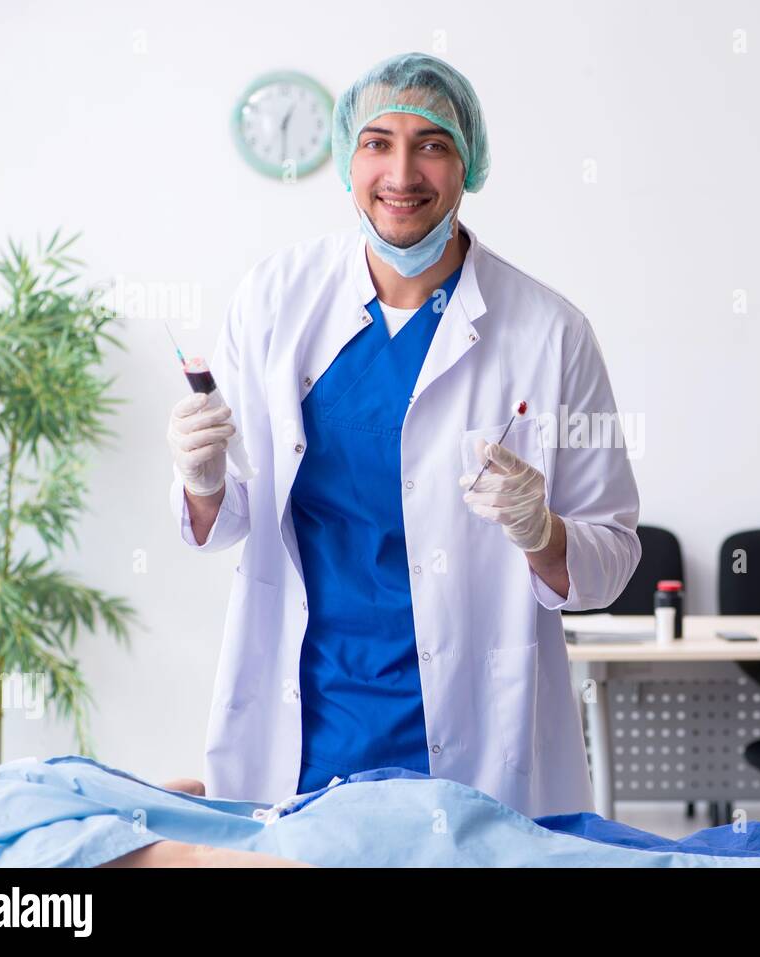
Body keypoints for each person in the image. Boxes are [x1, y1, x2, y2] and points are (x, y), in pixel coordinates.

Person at [164, 52, 640, 818]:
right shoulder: (274, 299)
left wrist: (542, 530)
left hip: (479, 733)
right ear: (347, 161)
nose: (402, 172)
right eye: (378, 142)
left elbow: (610, 556)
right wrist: (202, 478)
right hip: (308, 719)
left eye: (433, 144)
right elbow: (225, 520)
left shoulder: (551, 332)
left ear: (467, 165)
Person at [0, 754, 760, 868]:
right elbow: (175, 797)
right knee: (661, 852)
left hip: (356, 855)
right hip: (367, 806)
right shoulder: (4, 776)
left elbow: (195, 875)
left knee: (691, 876)